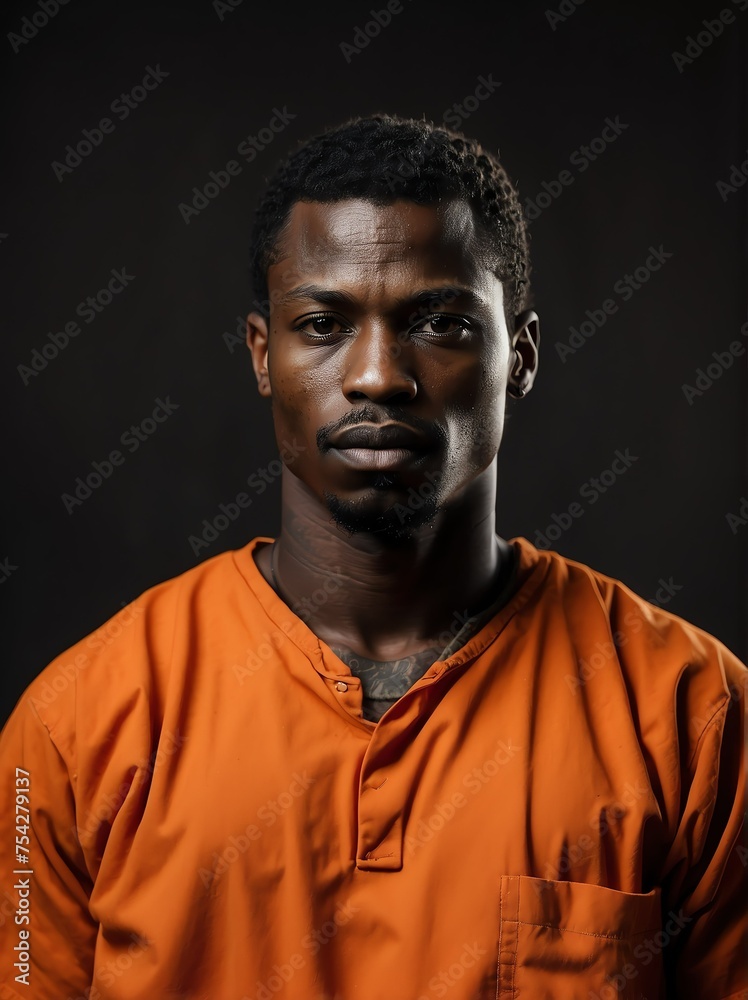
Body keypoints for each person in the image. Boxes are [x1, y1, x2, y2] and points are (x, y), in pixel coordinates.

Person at [0, 114, 745, 1000]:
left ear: (522, 357)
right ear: (262, 355)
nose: (379, 376)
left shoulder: (694, 717)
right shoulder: (75, 726)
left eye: (441, 323)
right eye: (323, 324)